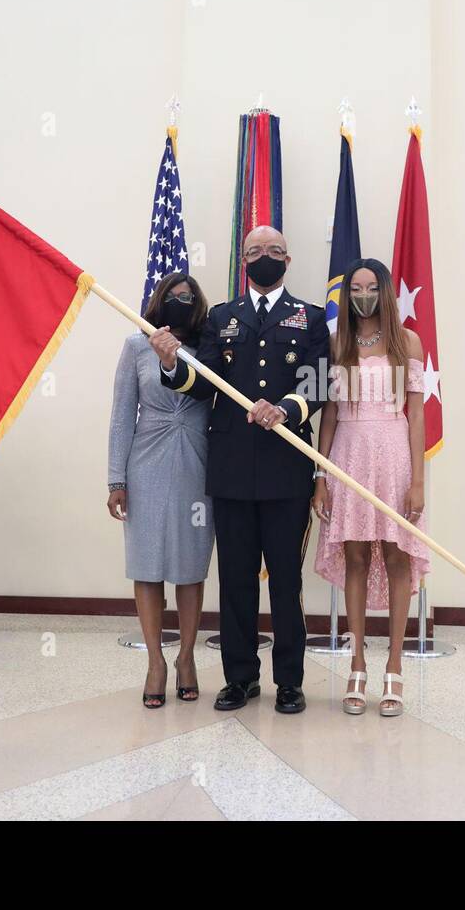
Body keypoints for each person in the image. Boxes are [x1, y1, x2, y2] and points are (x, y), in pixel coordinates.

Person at [150, 226, 329, 714]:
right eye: (255, 251)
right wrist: (172, 364)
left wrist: (287, 410)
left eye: (274, 251)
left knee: (286, 583)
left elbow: (318, 381)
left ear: (288, 260)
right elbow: (201, 381)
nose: (264, 257)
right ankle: (240, 678)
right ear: (243, 261)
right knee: (235, 579)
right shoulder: (222, 318)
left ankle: (289, 681)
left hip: (286, 467)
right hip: (230, 468)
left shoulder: (310, 318)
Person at [312, 259, 429, 716]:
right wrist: (321, 477)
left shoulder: (407, 342)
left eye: (371, 286)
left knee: (398, 554)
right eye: (355, 288)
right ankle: (358, 661)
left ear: (384, 291)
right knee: (356, 555)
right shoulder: (337, 341)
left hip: (394, 453)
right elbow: (330, 414)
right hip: (348, 454)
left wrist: (418, 481)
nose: (363, 294)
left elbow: (416, 413)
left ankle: (395, 664)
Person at [108, 274, 213, 708]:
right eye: (172, 297)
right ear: (158, 301)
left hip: (197, 461)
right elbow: (120, 415)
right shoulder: (137, 345)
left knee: (190, 566)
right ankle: (156, 661)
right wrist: (116, 478)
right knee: (147, 564)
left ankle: (187, 658)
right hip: (146, 461)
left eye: (187, 298)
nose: (180, 302)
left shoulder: (209, 346)